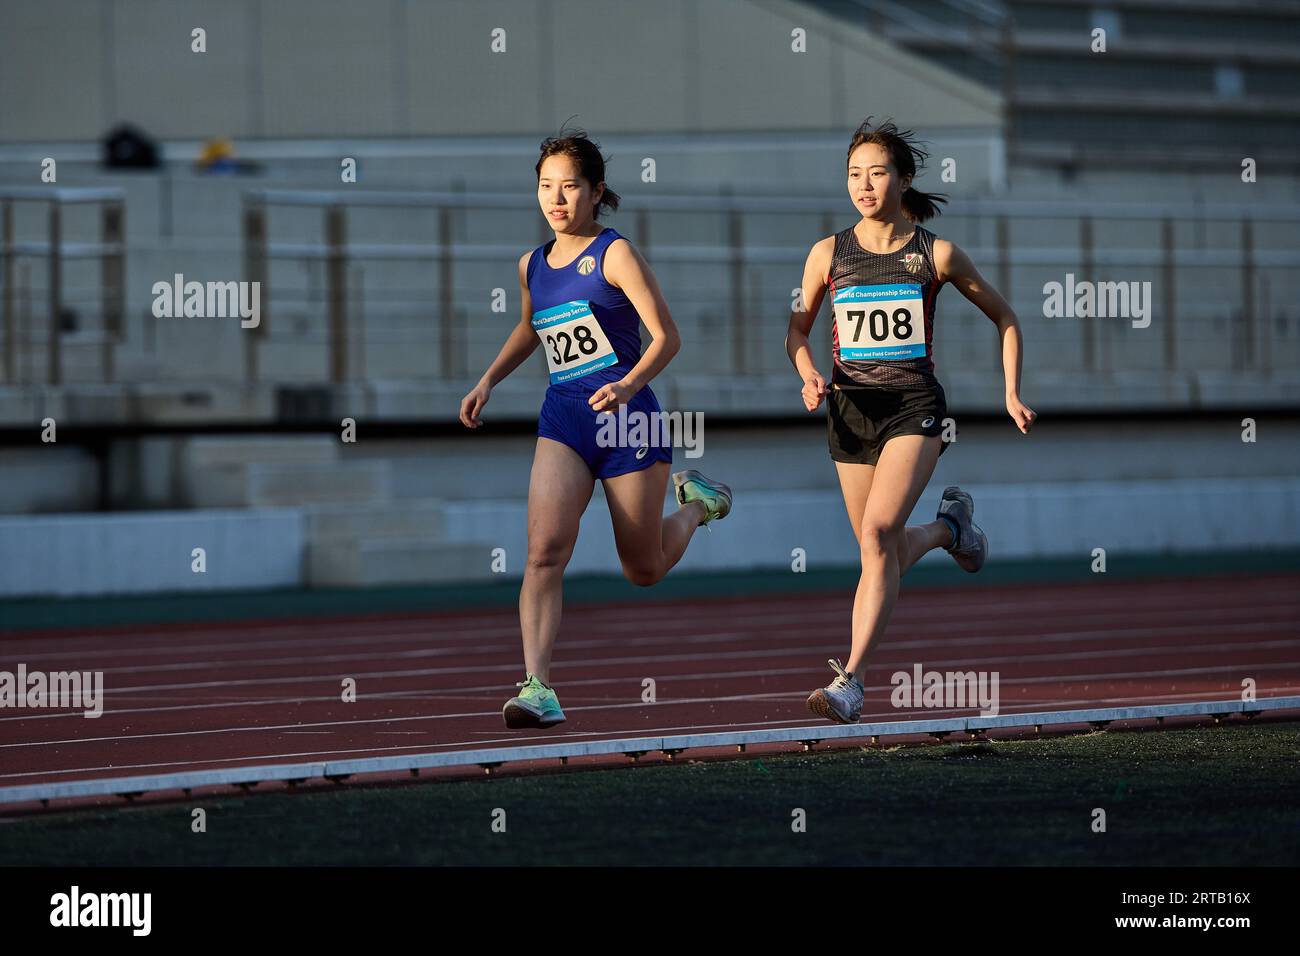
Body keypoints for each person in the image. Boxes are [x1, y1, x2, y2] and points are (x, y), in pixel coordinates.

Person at [459, 128, 732, 729]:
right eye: (545, 187)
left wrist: (629, 386)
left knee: (643, 569)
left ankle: (697, 506)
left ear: (596, 191)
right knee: (542, 554)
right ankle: (538, 687)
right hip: (564, 419)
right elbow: (532, 329)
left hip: (625, 420)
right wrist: (488, 381)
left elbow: (667, 338)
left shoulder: (615, 254)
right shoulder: (531, 264)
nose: (556, 198)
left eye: (570, 187)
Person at [785, 118, 1036, 724]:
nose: (864, 186)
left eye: (876, 174)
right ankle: (952, 529)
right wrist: (808, 372)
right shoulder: (826, 254)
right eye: (854, 175)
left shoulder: (936, 253)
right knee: (885, 550)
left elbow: (1005, 317)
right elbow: (796, 328)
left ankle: (852, 682)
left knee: (875, 540)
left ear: (904, 180)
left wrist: (1010, 392)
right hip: (848, 412)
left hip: (913, 411)